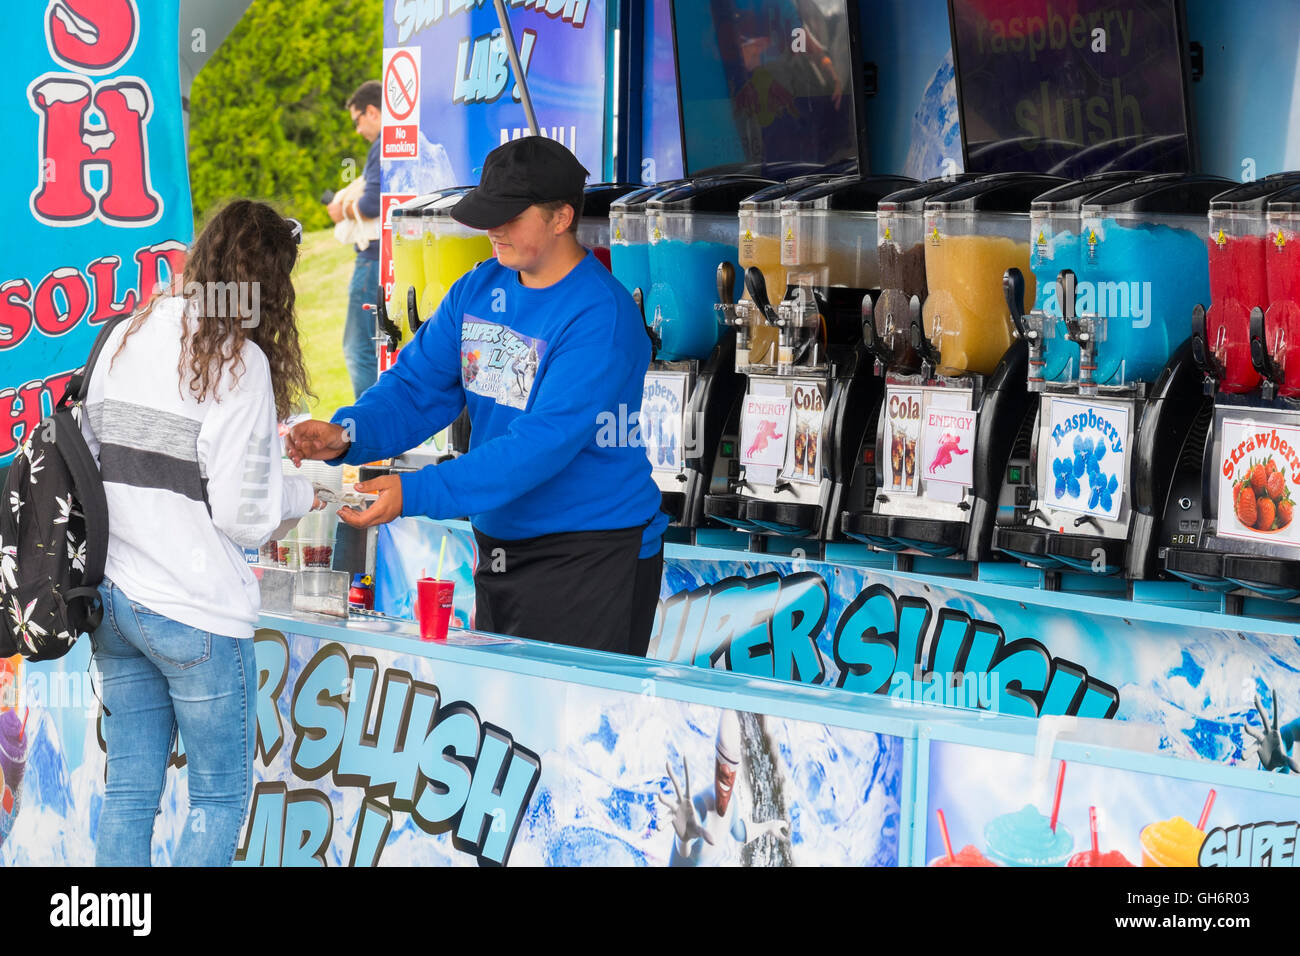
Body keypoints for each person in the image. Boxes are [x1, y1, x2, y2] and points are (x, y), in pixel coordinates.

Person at [287, 136, 668, 656]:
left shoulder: (601, 316)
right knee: (506, 727)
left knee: (567, 732)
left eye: (509, 215)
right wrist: (347, 433)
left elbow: (536, 449)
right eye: (488, 213)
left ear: (561, 218)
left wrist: (415, 493)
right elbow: (418, 384)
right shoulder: (478, 287)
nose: (492, 228)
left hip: (592, 552)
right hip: (500, 545)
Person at [81, 200, 320, 866]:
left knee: (129, 791)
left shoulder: (129, 330)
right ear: (272, 283)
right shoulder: (238, 363)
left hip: (115, 600)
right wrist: (308, 491)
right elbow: (245, 517)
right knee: (217, 802)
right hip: (193, 612)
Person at [660, 711, 790, 866]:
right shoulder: (699, 808)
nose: (727, 773)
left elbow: (741, 832)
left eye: (731, 767)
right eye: (723, 768)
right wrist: (683, 838)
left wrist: (769, 826)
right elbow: (685, 847)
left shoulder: (732, 805)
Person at [328, 80, 383, 399]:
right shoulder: (403, 140)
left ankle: (366, 430)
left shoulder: (380, 146)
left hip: (371, 259)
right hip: (386, 255)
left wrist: (343, 208)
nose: (357, 130)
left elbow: (371, 203)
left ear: (371, 112)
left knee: (358, 347)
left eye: (356, 120)